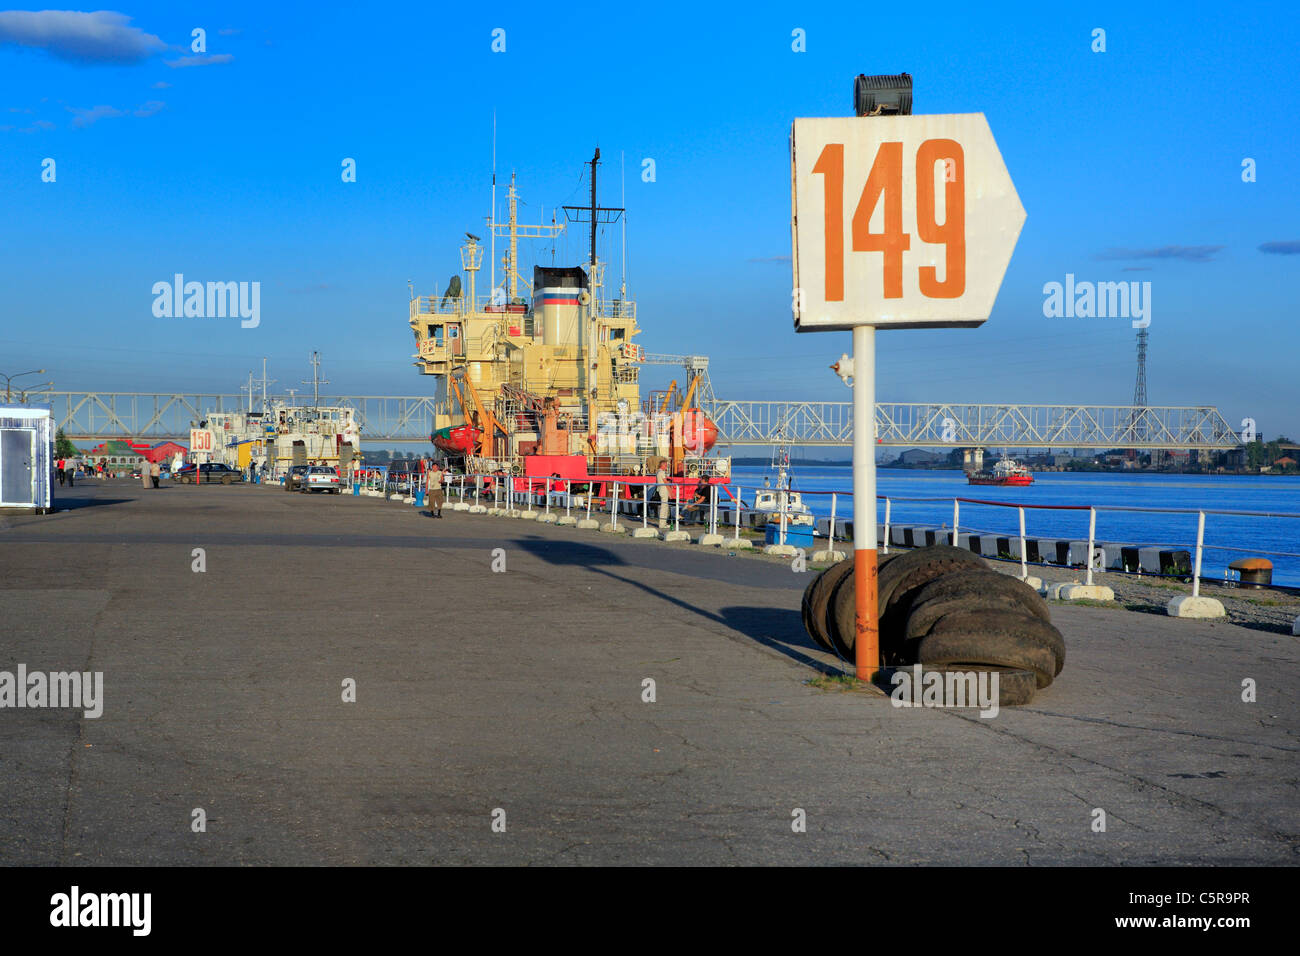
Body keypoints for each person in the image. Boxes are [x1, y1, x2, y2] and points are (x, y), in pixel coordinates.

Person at [655, 459, 670, 529]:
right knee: (664, 507)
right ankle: (662, 524)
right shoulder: (662, 472)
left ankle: (663, 523)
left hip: (661, 490)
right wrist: (671, 491)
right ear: (662, 465)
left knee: (664, 506)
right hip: (663, 490)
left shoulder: (658, 472)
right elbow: (665, 482)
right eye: (666, 465)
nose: (666, 466)